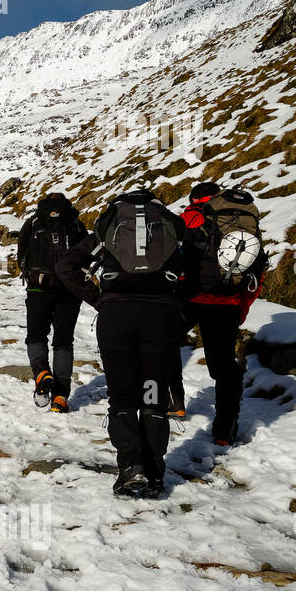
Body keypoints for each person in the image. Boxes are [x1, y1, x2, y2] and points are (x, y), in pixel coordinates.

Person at [57, 188, 188, 498]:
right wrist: (175, 305)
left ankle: (131, 468)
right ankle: (155, 472)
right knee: (153, 396)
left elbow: (65, 266)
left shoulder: (107, 227)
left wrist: (100, 300)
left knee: (122, 397)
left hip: (116, 319)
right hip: (160, 320)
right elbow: (203, 271)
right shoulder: (172, 227)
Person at [168, 182, 267, 446]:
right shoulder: (243, 222)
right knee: (223, 366)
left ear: (194, 199)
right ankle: (224, 429)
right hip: (228, 302)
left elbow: (172, 259)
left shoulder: (190, 217)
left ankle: (174, 401)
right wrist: (242, 306)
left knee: (165, 344)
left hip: (189, 298)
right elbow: (257, 268)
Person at [16, 192, 88, 412]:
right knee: (63, 341)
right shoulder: (75, 222)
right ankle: (60, 397)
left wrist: (29, 275)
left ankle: (41, 371)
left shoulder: (35, 222)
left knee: (36, 335)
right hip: (69, 289)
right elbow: (86, 252)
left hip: (39, 287)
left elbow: (22, 254)